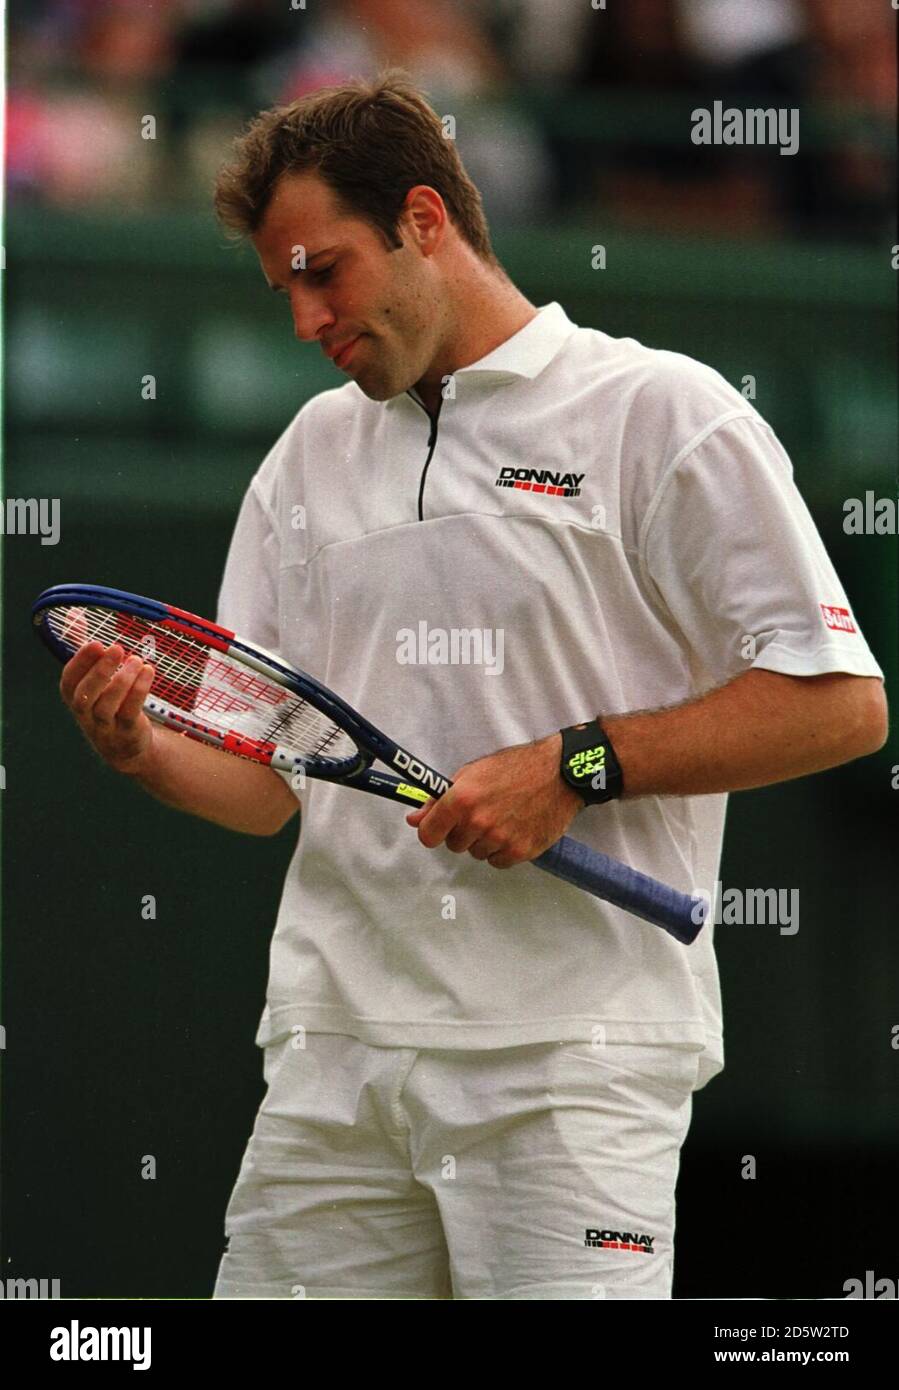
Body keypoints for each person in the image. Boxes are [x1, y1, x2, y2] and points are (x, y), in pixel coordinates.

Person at [60, 72, 887, 1300]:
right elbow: (261, 782)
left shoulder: (662, 416)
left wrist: (574, 766)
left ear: (425, 220)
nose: (301, 320)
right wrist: (139, 748)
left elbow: (839, 703)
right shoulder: (303, 460)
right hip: (330, 1065)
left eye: (321, 270)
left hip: (571, 1068)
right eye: (281, 286)